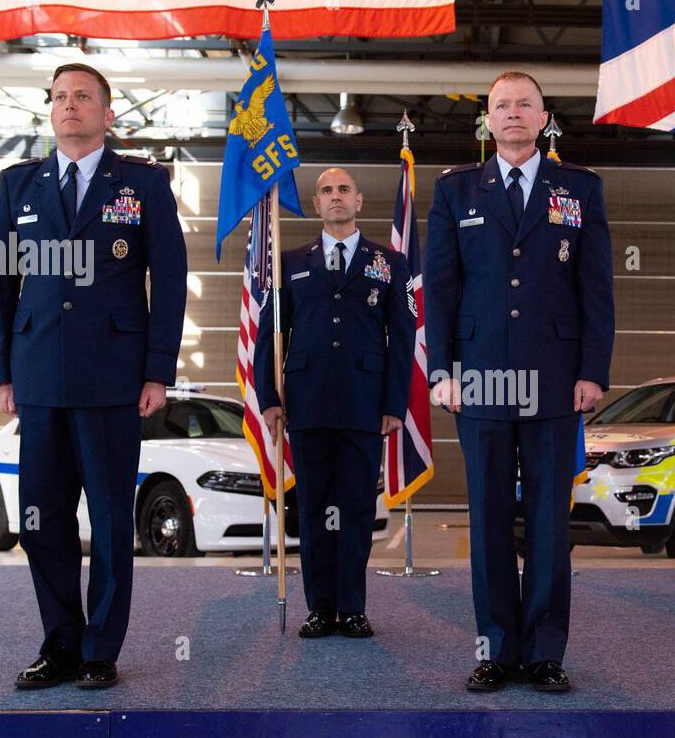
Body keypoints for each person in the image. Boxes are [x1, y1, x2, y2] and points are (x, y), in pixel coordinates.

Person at [0, 62, 188, 689]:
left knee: (107, 521)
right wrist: (3, 371)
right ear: (50, 111)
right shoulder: (18, 186)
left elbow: (171, 282)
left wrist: (158, 370)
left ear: (108, 113)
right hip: (38, 374)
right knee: (42, 520)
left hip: (113, 378)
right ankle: (60, 644)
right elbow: (2, 285)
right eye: (60, 98)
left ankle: (100, 648)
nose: (69, 106)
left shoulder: (144, 185)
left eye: (83, 97)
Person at [423, 70, 614, 692]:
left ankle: (545, 653)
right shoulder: (456, 192)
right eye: (500, 105)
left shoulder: (579, 189)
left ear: (543, 116)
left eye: (523, 104)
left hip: (556, 379)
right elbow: (440, 291)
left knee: (549, 522)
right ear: (487, 119)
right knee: (488, 519)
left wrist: (592, 371)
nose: (511, 114)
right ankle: (495, 649)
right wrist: (442, 371)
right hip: (478, 380)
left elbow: (596, 289)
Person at [254, 168, 415, 638]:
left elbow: (403, 339)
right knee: (314, 508)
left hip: (365, 405)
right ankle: (321, 608)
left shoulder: (389, 262)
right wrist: (268, 397)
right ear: (316, 204)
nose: (335, 196)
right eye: (326, 191)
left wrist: (394, 403)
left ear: (359, 201)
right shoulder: (289, 262)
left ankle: (354, 606)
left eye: (344, 189)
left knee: (356, 509)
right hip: (305, 404)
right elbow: (269, 335)